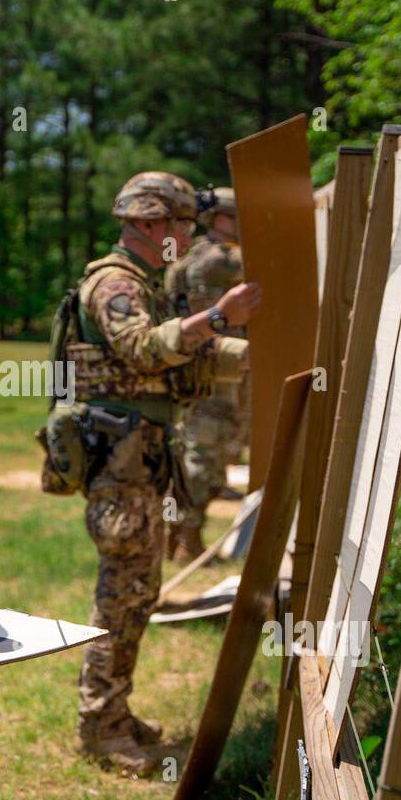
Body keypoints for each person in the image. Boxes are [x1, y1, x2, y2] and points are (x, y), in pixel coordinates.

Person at [62, 171, 261, 775]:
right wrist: (222, 317)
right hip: (122, 467)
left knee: (138, 593)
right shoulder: (116, 283)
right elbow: (145, 349)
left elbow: (183, 352)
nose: (186, 237)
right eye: (180, 225)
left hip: (140, 460)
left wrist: (254, 351)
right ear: (152, 223)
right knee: (120, 598)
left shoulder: (141, 281)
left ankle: (113, 715)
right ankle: (100, 727)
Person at [163, 186, 248, 563]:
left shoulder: (192, 255)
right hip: (216, 367)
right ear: (224, 218)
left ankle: (178, 534)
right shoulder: (222, 259)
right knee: (204, 454)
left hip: (197, 365)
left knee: (196, 449)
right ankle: (188, 541)